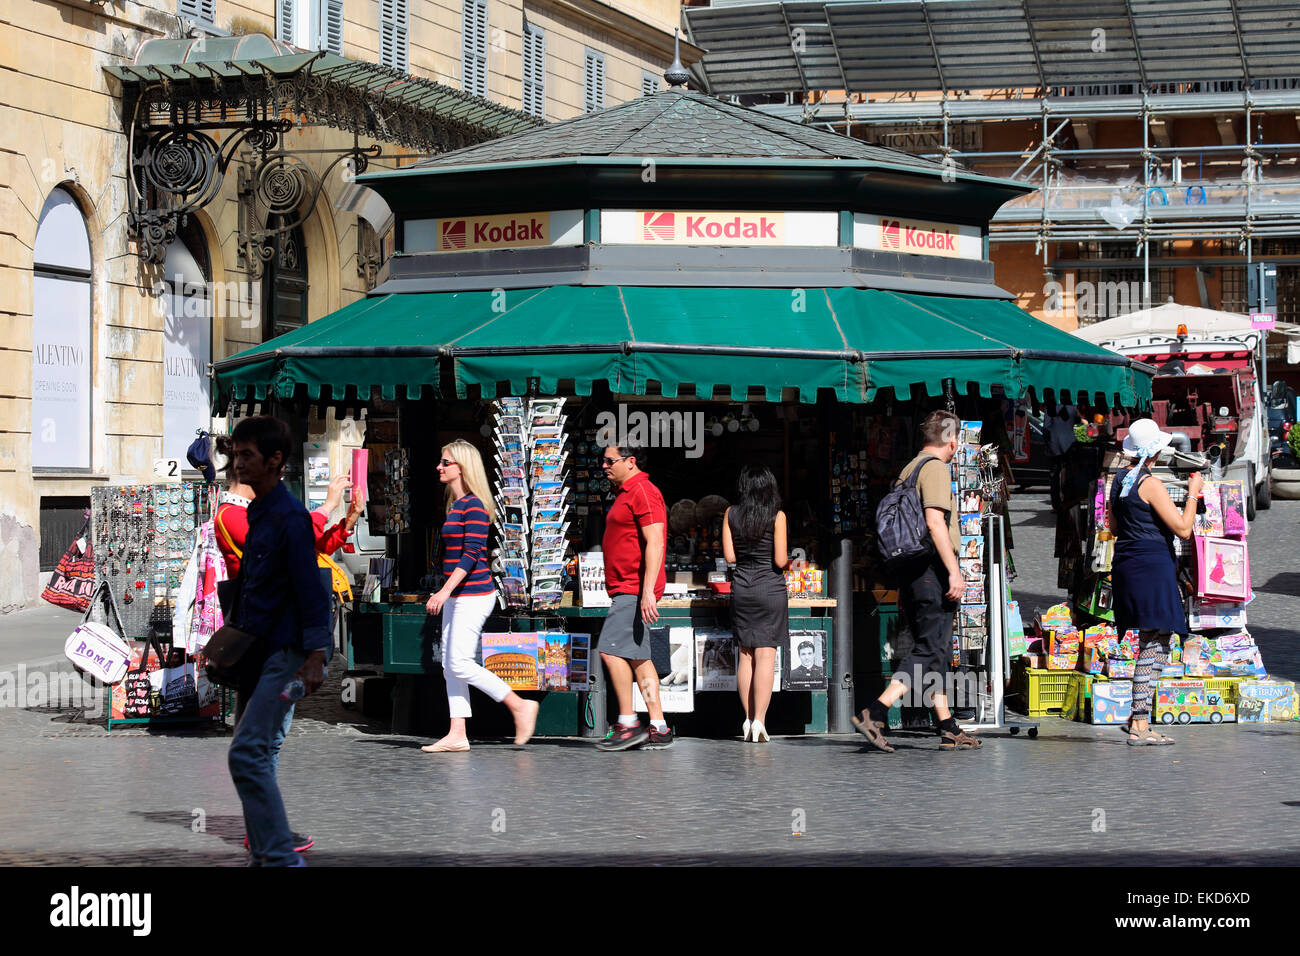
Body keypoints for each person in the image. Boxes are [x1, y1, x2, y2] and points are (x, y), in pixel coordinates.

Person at [225, 415, 333, 866]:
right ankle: (266, 849)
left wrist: (316, 656)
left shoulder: (290, 519)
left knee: (248, 752)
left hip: (286, 655)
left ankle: (280, 859)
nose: (237, 462)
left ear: (275, 461)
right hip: (259, 651)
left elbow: (311, 590)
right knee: (259, 748)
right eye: (235, 453)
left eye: (247, 455)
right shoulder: (258, 512)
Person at [852, 409, 981, 752]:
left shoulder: (910, 468)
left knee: (934, 650)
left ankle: (948, 726)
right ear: (952, 441)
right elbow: (935, 523)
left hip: (911, 572)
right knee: (928, 649)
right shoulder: (936, 469)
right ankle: (876, 712)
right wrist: (954, 570)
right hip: (930, 571)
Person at [422, 439, 538, 752]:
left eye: (445, 462)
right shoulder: (456, 506)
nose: (440, 467)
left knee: (458, 662)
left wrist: (444, 591)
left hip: (473, 594)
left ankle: (519, 705)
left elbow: (472, 553)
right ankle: (458, 732)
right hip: (459, 594)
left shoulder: (473, 506)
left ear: (462, 467)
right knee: (450, 664)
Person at [1108, 418, 1202, 746]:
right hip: (1152, 565)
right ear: (1154, 452)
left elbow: (1115, 526)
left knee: (1156, 637)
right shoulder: (1150, 484)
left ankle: (1140, 716)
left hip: (1128, 564)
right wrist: (1193, 495)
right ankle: (1139, 722)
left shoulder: (1120, 479)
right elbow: (1183, 529)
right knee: (1155, 640)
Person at [594, 443, 672, 751]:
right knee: (639, 659)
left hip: (632, 587)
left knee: (610, 650)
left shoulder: (642, 490)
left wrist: (647, 592)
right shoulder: (627, 492)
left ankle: (627, 724)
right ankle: (659, 726)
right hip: (628, 587)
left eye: (610, 460)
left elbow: (655, 542)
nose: (604, 465)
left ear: (631, 461)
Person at [721, 465, 788, 743]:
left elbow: (729, 557)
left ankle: (747, 719)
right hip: (770, 589)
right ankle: (760, 721)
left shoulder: (730, 514)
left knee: (745, 656)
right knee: (766, 657)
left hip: (742, 589)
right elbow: (781, 561)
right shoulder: (777, 516)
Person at [1046, 404, 1083, 512]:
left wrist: (1049, 443)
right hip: (1069, 446)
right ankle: (1069, 500)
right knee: (1070, 474)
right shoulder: (1072, 408)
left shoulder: (1050, 408)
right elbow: (1079, 422)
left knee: (1054, 477)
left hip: (1055, 447)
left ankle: (1056, 505)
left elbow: (1046, 427)